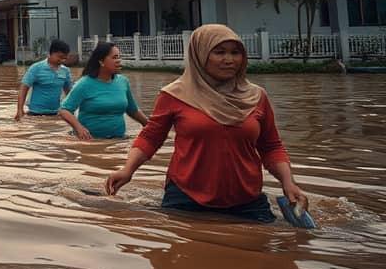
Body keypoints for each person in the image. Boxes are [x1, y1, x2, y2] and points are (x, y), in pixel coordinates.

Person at [105, 25, 308, 223]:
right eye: (219, 52)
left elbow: (271, 146)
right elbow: (151, 137)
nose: (229, 60)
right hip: (186, 198)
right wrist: (127, 170)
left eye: (235, 52)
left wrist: (288, 183)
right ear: (200, 55)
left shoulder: (256, 97)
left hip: (247, 199)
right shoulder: (175, 95)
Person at [58, 42, 149, 140]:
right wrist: (79, 128)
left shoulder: (123, 82)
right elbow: (64, 110)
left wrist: (150, 126)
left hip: (118, 141)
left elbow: (133, 110)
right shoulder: (84, 83)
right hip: (91, 142)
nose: (119, 61)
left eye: (119, 57)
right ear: (101, 61)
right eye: (114, 58)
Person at [16, 39, 74, 120]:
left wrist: (71, 110)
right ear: (51, 53)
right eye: (60, 57)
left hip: (56, 114)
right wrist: (20, 109)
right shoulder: (36, 68)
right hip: (35, 114)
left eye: (64, 58)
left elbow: (69, 92)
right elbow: (23, 88)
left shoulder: (65, 71)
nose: (62, 60)